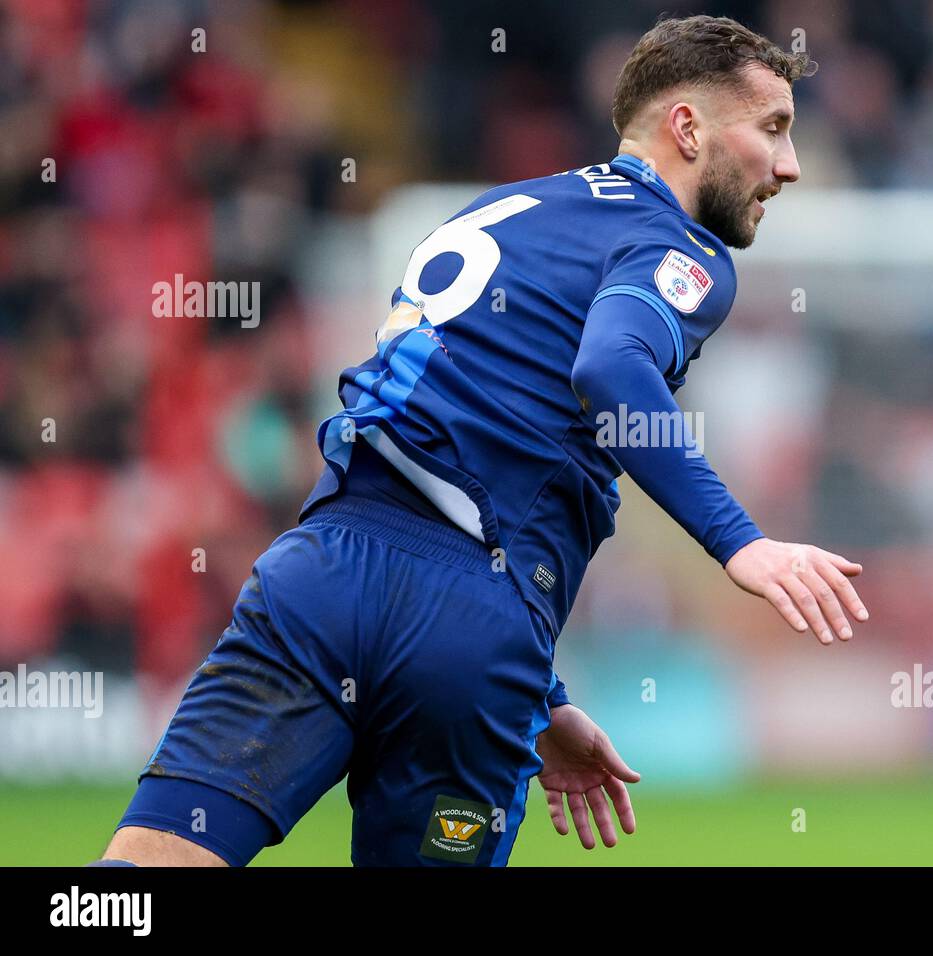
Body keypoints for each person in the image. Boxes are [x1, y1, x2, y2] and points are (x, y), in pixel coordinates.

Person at [95, 14, 867, 867]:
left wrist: (543, 691)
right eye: (773, 130)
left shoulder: (503, 210)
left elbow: (456, 444)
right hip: (465, 628)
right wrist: (739, 543)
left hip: (316, 576)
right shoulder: (680, 244)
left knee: (144, 873)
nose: (788, 166)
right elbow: (610, 369)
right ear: (687, 128)